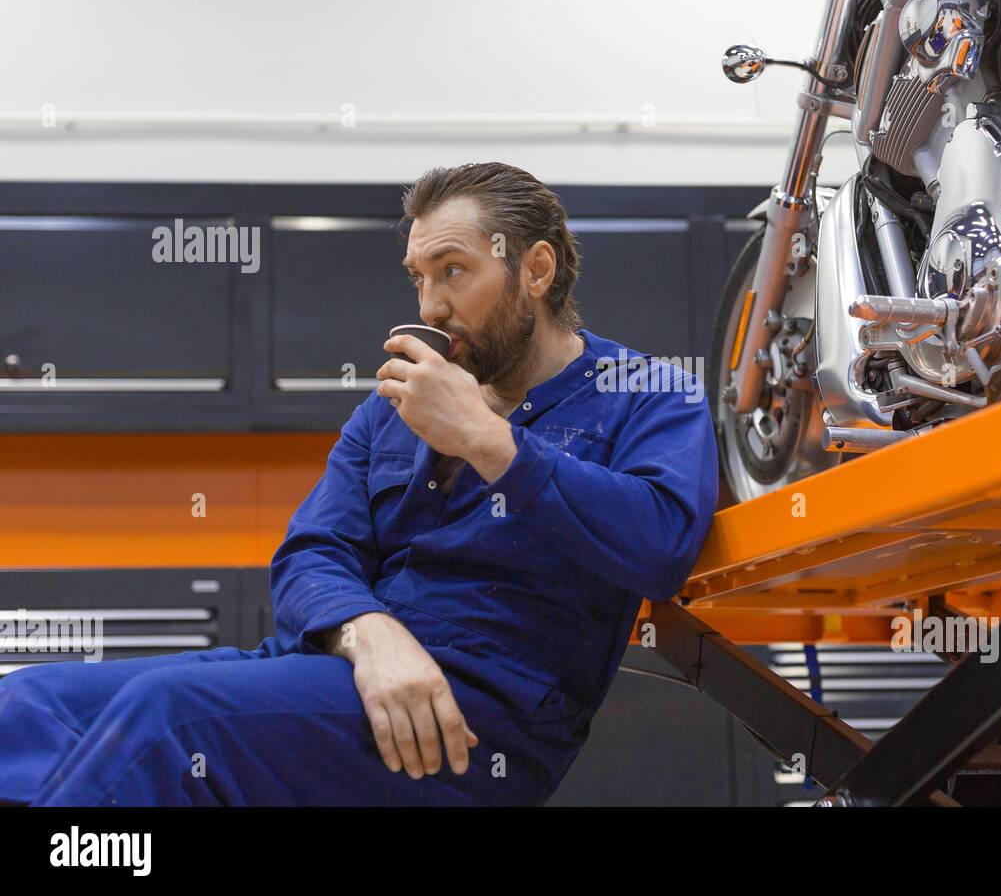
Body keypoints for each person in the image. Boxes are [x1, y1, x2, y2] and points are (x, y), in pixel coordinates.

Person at [0, 162, 719, 805]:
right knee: (28, 704)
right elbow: (311, 552)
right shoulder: (392, 408)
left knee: (170, 715)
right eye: (418, 276)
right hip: (346, 670)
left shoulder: (650, 393)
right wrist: (369, 632)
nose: (430, 304)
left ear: (535, 269)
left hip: (479, 715)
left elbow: (660, 544)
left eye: (453, 270)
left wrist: (490, 441)